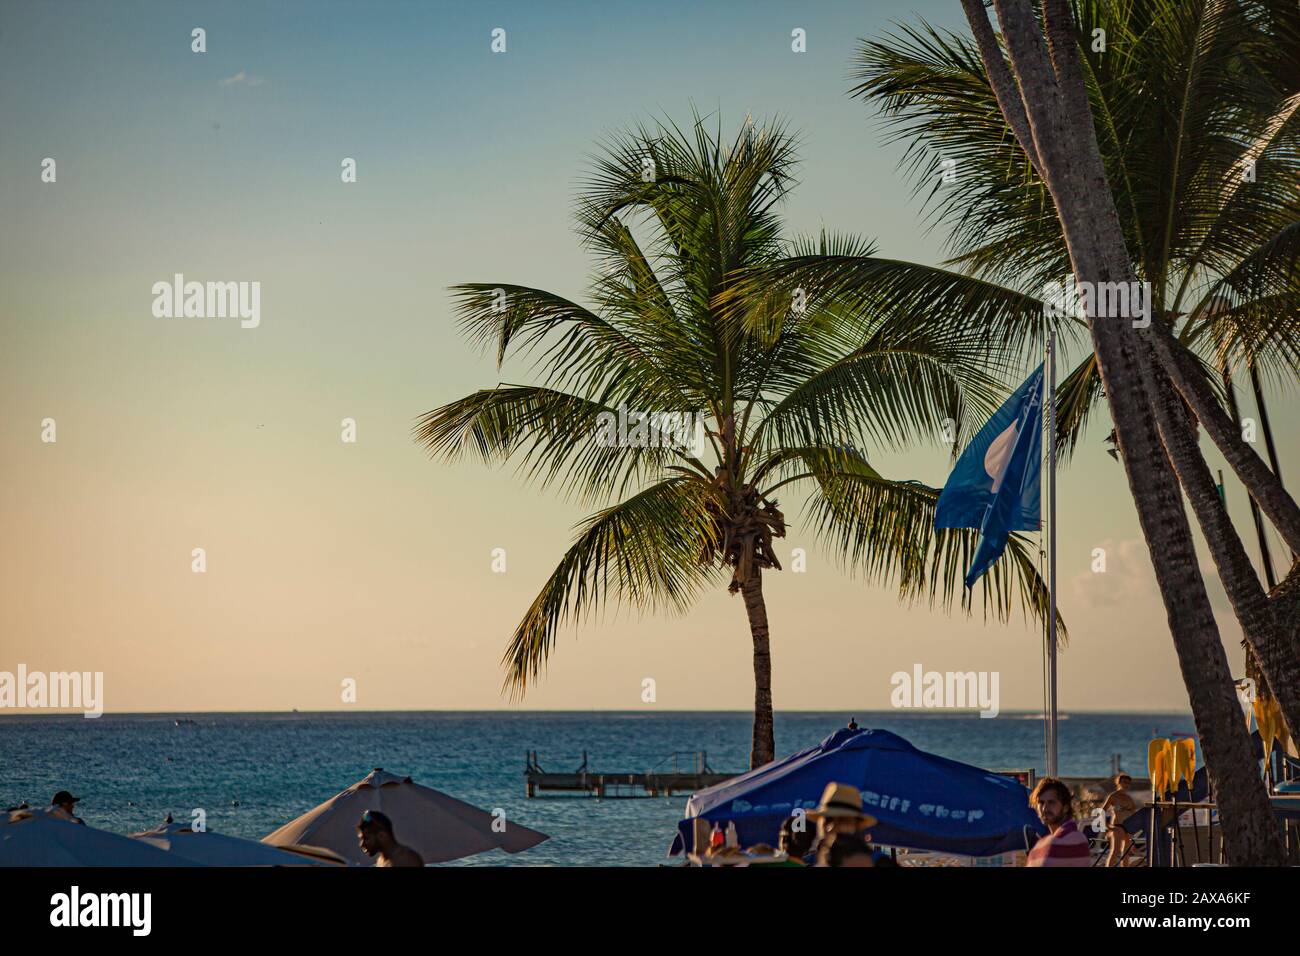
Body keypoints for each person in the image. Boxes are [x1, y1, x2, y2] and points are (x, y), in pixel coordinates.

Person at [1025, 778, 1090, 867]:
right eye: (1041, 802)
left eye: (1051, 802)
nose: (1044, 808)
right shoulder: (1045, 843)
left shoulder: (1072, 839)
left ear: (1065, 807)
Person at [356, 810, 423, 867]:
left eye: (366, 838)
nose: (361, 844)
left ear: (382, 836)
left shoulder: (407, 860)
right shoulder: (381, 860)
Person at [1102, 773, 1138, 867]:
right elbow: (1101, 811)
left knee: (1126, 854)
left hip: (1128, 827)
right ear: (1118, 783)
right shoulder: (1113, 796)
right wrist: (1107, 826)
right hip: (1117, 826)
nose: (1126, 784)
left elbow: (1134, 813)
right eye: (1124, 782)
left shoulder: (1129, 798)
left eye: (1128, 783)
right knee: (1114, 852)